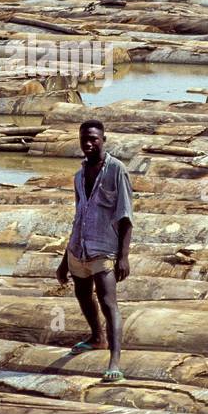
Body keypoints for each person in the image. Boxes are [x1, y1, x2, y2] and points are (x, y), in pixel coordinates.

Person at [56, 119, 133, 382]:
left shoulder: (116, 170)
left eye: (94, 139)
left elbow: (125, 216)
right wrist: (65, 259)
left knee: (108, 301)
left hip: (104, 249)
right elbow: (79, 216)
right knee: (82, 294)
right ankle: (96, 337)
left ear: (103, 139)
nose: (88, 143)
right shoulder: (79, 176)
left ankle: (115, 361)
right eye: (84, 139)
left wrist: (123, 256)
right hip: (80, 247)